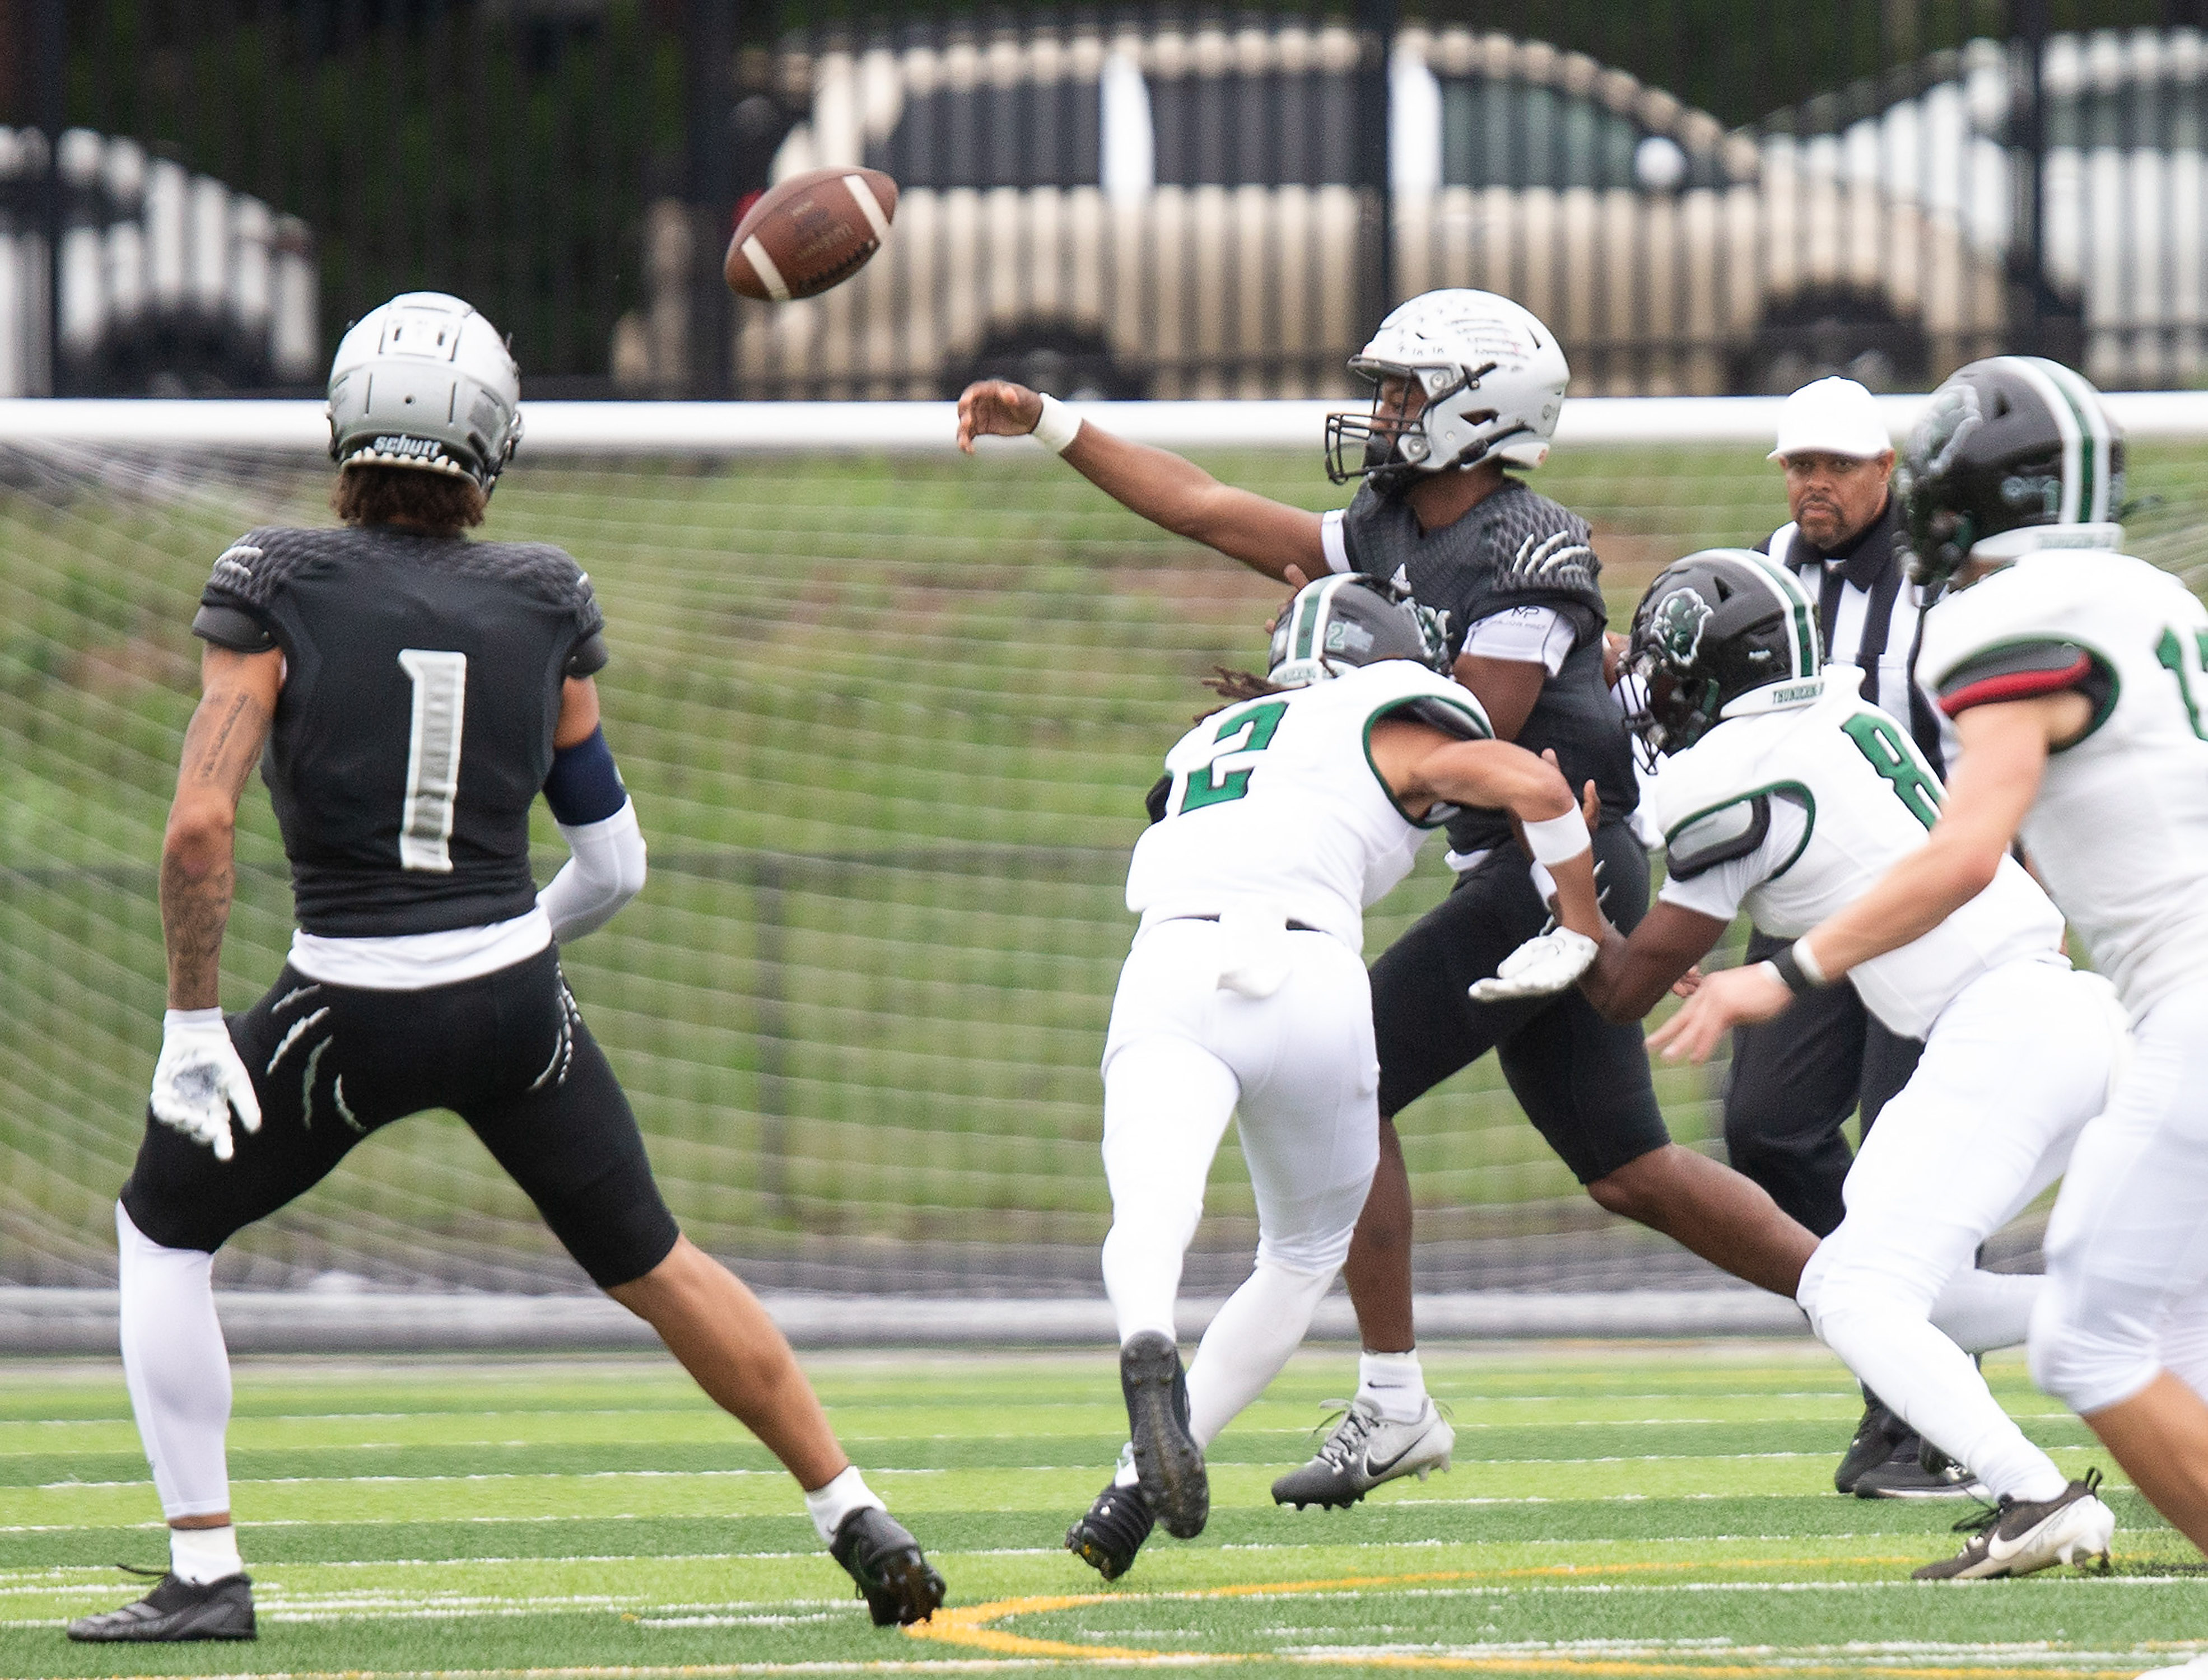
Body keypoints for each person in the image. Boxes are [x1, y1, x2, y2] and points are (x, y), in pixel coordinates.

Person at [66, 292, 944, 1644]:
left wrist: (195, 1023)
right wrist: (509, 951)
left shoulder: (275, 582)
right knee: (654, 1257)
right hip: (516, 1002)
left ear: (346, 420)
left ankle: (205, 1571)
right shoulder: (546, 600)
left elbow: (198, 823)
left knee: (162, 1230)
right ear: (495, 439)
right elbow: (615, 866)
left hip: (346, 1005)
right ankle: (854, 1509)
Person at [959, 289, 1817, 1511]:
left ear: (1482, 408)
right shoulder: (1389, 525)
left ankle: (1394, 1395)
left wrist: (1313, 697)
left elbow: (1475, 727)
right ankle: (1871, 1303)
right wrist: (1054, 426)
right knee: (1632, 1168)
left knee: (1351, 1082)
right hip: (1512, 868)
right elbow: (1205, 510)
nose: (1381, 413)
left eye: (1407, 392)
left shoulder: (1532, 546)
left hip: (1564, 860)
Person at [1643, 361, 2208, 1630]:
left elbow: (1961, 856)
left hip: (2146, 1002)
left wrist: (1778, 977)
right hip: (2118, 1005)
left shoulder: (1996, 622)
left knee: (2005, 1324)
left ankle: (2034, 1498)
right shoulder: (2149, 593)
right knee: (2106, 1316)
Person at [1481, 548, 2119, 1579]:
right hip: (2059, 1013)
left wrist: (1572, 882)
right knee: (1925, 1289)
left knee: (1849, 1291)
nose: (1657, 695)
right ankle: (2160, 1325)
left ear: (1710, 677)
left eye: (1671, 675)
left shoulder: (1721, 773)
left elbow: (1619, 991)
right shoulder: (1838, 708)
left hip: (2001, 1032)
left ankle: (2030, 1493)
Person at [1065, 572, 1604, 1580]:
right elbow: (1534, 789)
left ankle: (1145, 1336)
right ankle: (1133, 1482)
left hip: (1171, 966)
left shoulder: (1207, 743)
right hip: (1309, 976)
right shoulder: (1391, 716)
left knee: (1152, 1208)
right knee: (1302, 1254)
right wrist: (1579, 919)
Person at [1734, 378, 1954, 1496]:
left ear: (1885, 470)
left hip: (1927, 906)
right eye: (1797, 463)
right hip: (1809, 904)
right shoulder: (1764, 570)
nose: (1812, 482)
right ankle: (1919, 1356)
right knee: (1767, 1133)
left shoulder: (1944, 580)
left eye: (1835, 463)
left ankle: (1912, 1409)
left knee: (1901, 1158)